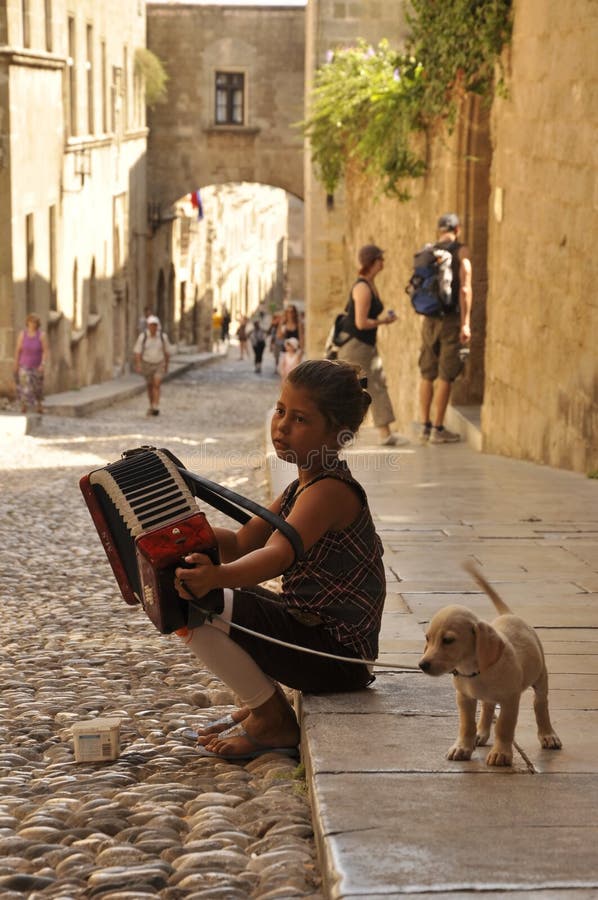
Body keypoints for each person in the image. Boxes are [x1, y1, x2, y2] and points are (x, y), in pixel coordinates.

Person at [174, 359, 386, 761]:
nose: (282, 426)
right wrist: (180, 534)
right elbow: (241, 543)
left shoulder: (329, 492)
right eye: (280, 410)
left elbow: (276, 555)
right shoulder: (300, 487)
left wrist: (216, 577)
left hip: (336, 658)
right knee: (201, 596)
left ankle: (271, 719)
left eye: (300, 419)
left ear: (337, 434)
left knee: (196, 606)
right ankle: (264, 707)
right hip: (317, 640)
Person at [336, 245, 408, 446]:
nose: (383, 263)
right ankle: (382, 434)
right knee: (365, 387)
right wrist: (383, 321)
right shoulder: (362, 288)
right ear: (373, 262)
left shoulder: (369, 284)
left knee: (371, 385)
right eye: (380, 259)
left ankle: (383, 433)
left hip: (365, 344)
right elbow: (360, 323)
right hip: (357, 345)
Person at [418, 213, 472, 443]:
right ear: (457, 229)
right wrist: (466, 323)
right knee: (446, 375)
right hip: (451, 319)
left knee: (426, 374)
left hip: (429, 319)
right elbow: (465, 288)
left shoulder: (429, 252)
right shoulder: (461, 251)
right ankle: (438, 429)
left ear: (440, 230)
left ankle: (424, 426)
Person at [133, 314, 173, 416]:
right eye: (151, 325)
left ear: (157, 326)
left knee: (157, 384)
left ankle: (155, 406)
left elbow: (167, 352)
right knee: (150, 385)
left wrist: (166, 365)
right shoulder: (143, 337)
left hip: (159, 363)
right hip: (147, 364)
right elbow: (137, 352)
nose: (153, 327)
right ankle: (151, 404)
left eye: (155, 325)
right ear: (148, 326)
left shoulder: (163, 337)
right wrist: (138, 364)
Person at [13, 313, 49, 414]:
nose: (33, 324)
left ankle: (39, 405)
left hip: (37, 366)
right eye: (31, 322)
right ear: (27, 323)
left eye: (35, 322)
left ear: (38, 324)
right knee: (24, 385)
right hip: (24, 365)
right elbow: (18, 350)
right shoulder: (22, 334)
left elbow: (45, 351)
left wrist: (43, 364)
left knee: (38, 388)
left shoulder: (41, 335)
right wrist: (16, 363)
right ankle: (24, 406)